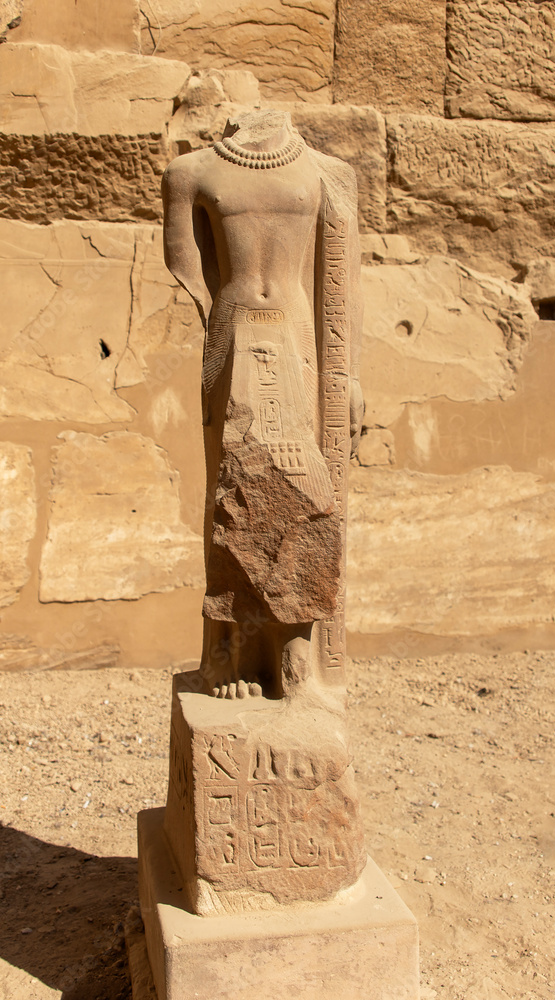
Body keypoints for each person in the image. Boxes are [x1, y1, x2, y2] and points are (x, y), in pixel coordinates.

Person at [162, 109, 363, 700]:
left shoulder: (326, 172)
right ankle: (228, 654)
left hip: (297, 329)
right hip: (233, 325)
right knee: (231, 494)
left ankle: (295, 654)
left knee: (303, 489)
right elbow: (187, 265)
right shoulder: (189, 171)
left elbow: (341, 275)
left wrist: (347, 373)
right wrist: (225, 319)